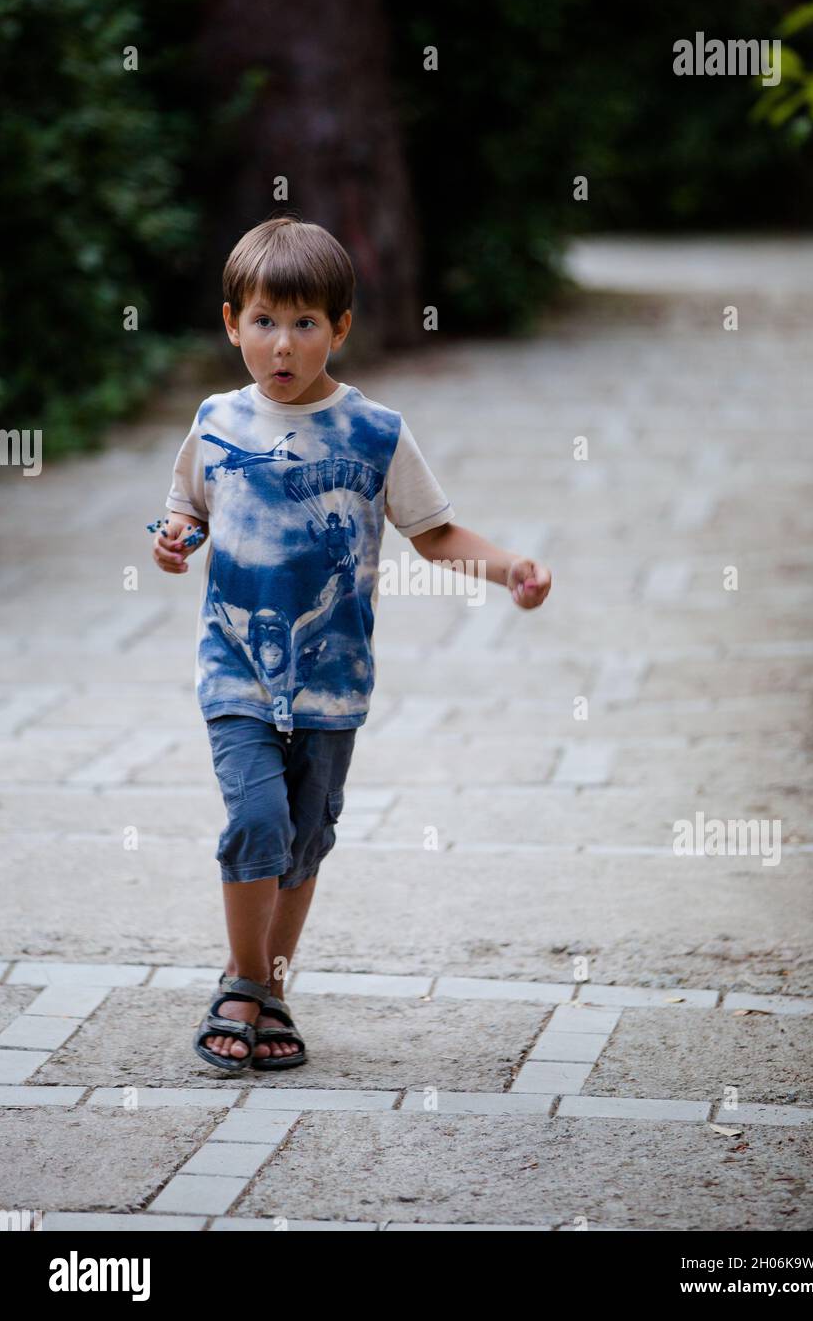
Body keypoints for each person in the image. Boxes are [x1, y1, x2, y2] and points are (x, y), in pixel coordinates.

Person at [154, 215, 552, 1073]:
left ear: (340, 327)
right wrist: (173, 537)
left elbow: (435, 534)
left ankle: (267, 989)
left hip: (333, 681)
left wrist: (509, 565)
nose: (283, 344)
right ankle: (243, 983)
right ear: (233, 324)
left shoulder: (375, 432)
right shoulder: (218, 419)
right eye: (264, 321)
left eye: (306, 324)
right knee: (255, 821)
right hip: (236, 670)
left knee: (303, 837)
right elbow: (185, 506)